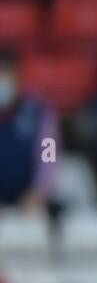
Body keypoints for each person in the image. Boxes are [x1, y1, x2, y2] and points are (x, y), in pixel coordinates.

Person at [0, 49, 59, 210]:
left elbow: (50, 157)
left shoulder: (40, 112)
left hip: (29, 203)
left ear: (18, 77)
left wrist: (39, 193)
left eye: (7, 73)